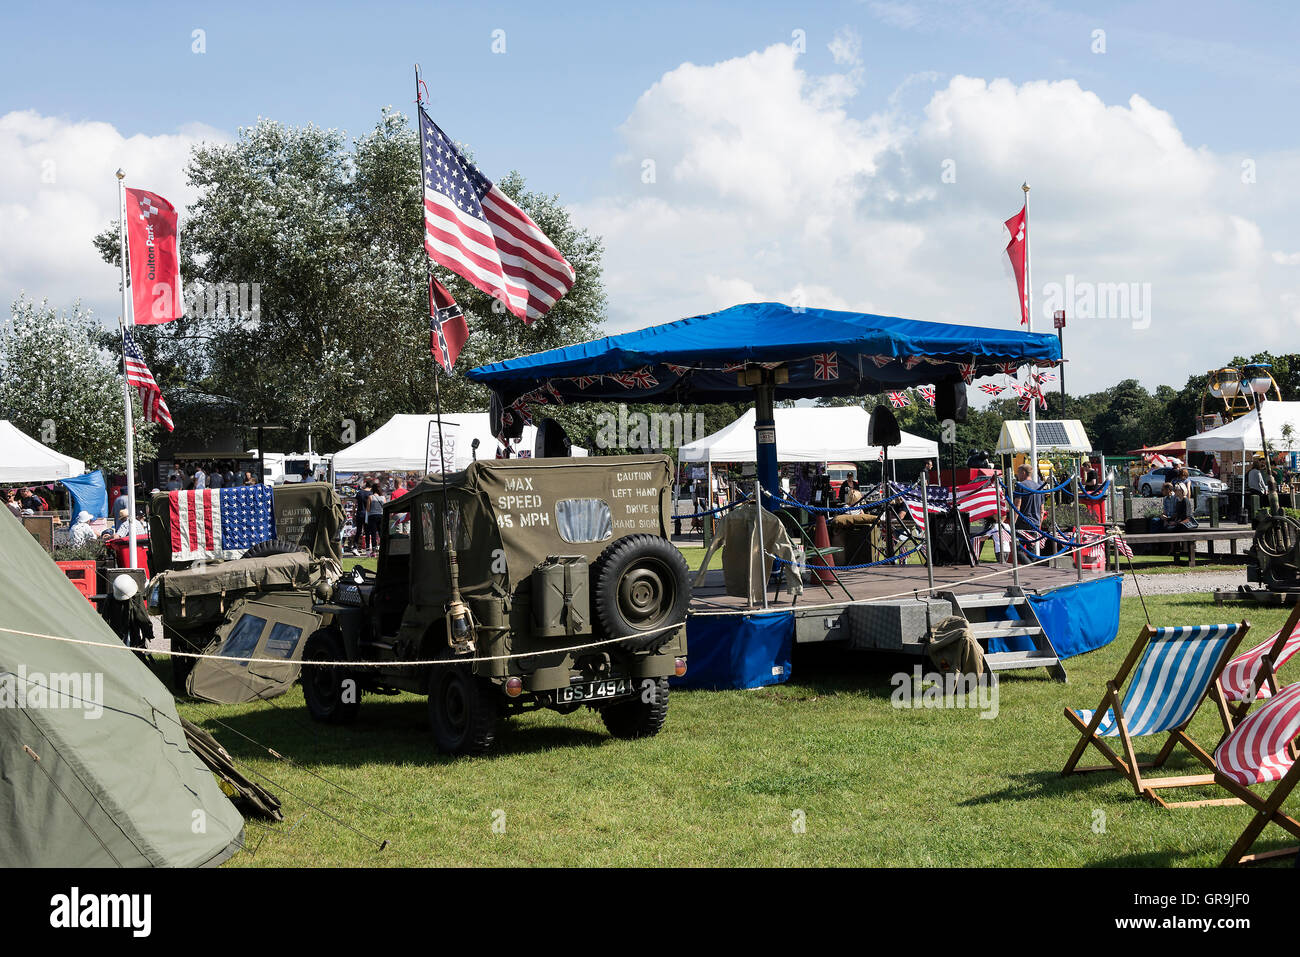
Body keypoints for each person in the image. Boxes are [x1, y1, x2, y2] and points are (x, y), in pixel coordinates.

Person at [366, 483, 386, 555]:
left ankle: (374, 550)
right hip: (381, 516)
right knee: (381, 533)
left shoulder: (370, 497)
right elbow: (385, 507)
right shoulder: (383, 498)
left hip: (372, 516)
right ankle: (383, 548)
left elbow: (368, 509)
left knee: (373, 533)